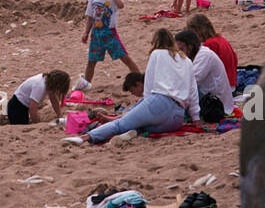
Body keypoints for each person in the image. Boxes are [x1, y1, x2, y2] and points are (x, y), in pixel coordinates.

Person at [70, 28, 200, 145]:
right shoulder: (187, 61)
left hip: (159, 104)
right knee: (142, 124)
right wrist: (196, 117)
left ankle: (86, 137)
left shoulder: (157, 54)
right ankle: (130, 130)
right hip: (176, 117)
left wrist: (143, 106)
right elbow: (193, 91)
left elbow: (148, 86)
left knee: (121, 124)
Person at [79, 0, 141, 89]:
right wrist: (86, 32)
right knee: (91, 61)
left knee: (124, 57)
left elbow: (121, 5)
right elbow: (90, 17)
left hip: (109, 33)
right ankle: (86, 84)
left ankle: (140, 78)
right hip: (96, 34)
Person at [176, 28, 233, 117]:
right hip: (205, 94)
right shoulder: (194, 55)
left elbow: (191, 81)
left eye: (181, 48)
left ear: (190, 47)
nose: (179, 52)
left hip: (214, 102)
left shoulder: (204, 55)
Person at [184, 13, 238, 90]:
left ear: (197, 30)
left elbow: (199, 74)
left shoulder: (209, 45)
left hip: (223, 87)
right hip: (231, 82)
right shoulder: (221, 40)